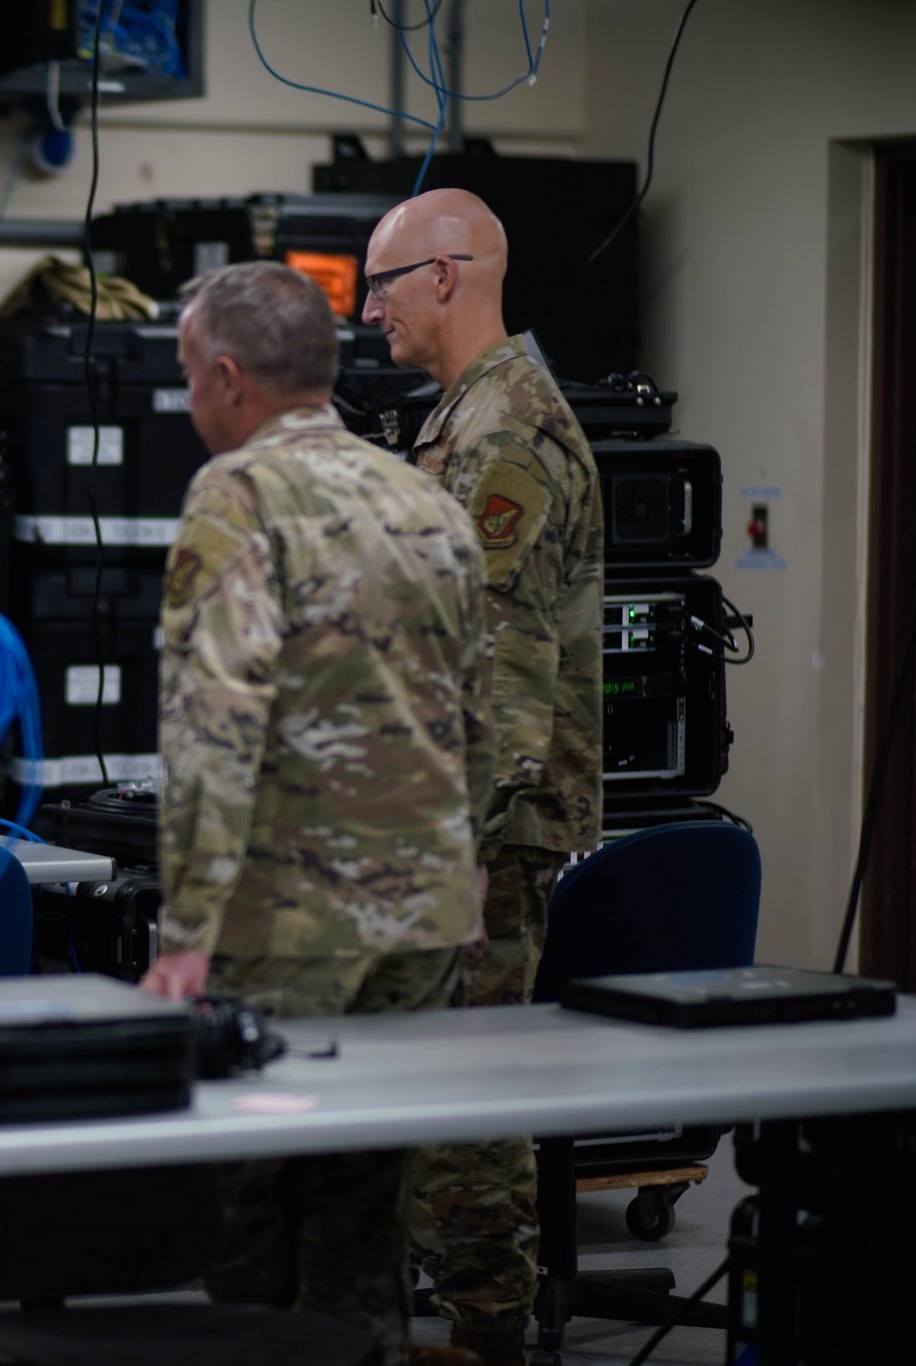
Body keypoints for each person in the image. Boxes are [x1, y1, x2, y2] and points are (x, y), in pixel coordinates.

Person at [140, 261, 496, 1366]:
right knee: (363, 1218)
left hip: (288, 921)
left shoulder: (237, 496)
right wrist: (465, 871)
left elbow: (214, 726)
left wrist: (185, 933)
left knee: (245, 1221)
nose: (189, 399)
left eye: (188, 375)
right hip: (422, 921)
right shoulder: (425, 499)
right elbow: (479, 717)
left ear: (228, 378)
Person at [361, 189, 605, 1366]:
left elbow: (499, 674)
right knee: (417, 1082)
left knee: (462, 1099)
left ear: (445, 277)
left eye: (381, 285)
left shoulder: (505, 431)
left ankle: (487, 1335)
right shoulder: (462, 417)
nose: (369, 311)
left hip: (477, 833)